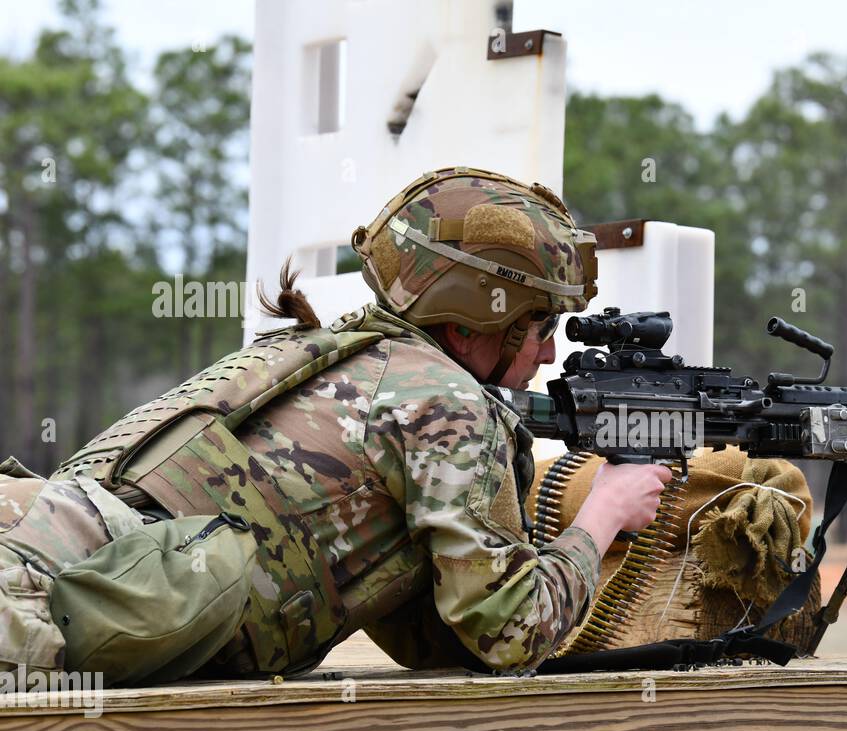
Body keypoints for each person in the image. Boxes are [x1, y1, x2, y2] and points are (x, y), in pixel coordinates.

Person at [0, 166, 671, 686]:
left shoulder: (328, 355)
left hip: (44, 548)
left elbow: (432, 632)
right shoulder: (446, 403)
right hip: (45, 597)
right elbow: (511, 634)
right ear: (477, 319)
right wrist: (602, 516)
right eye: (540, 326)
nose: (548, 354)